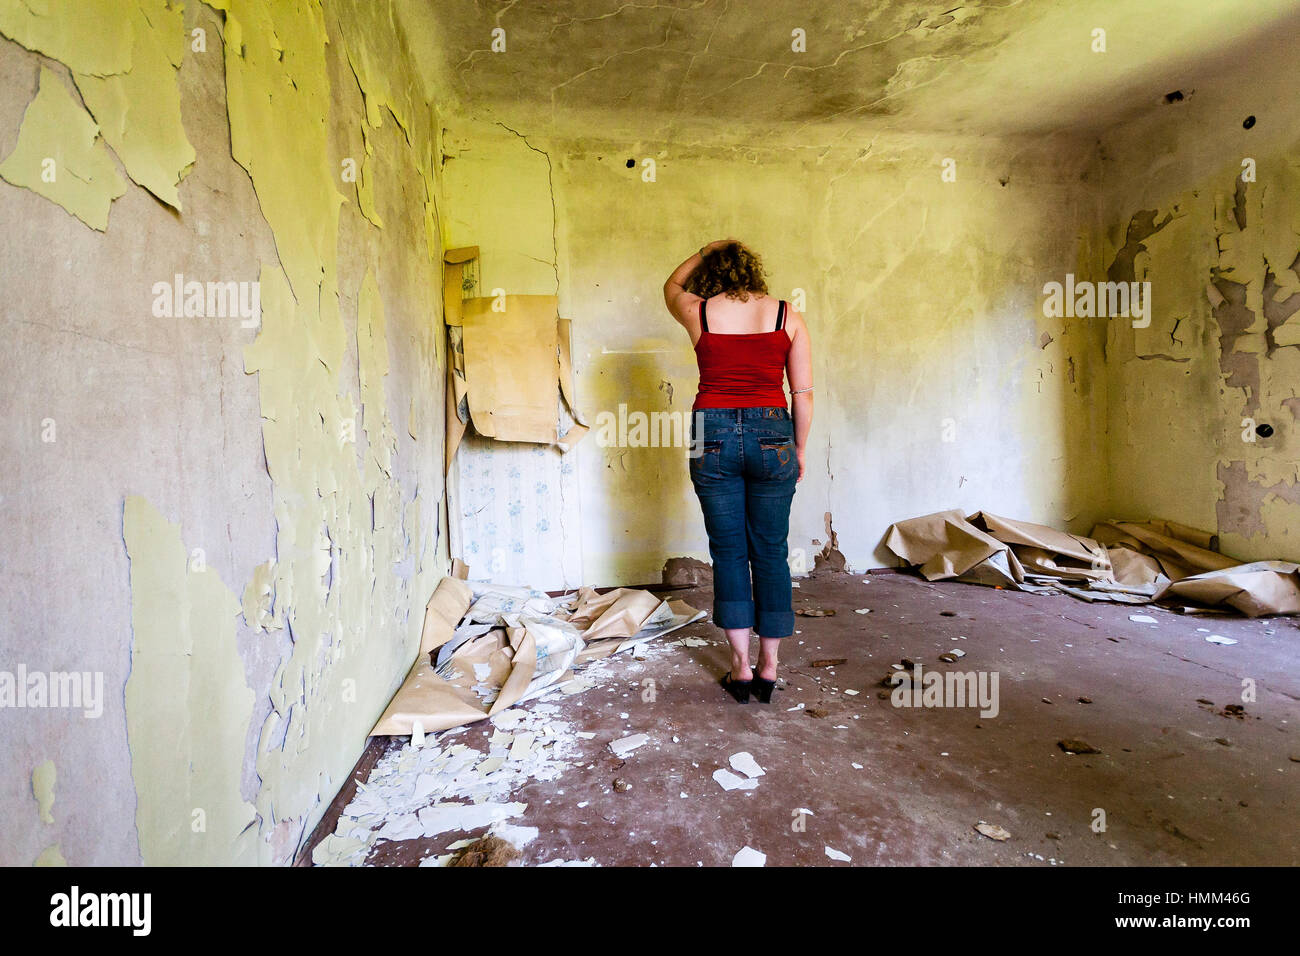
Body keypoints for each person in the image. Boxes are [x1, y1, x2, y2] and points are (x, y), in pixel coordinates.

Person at [663, 239, 813, 703]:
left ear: (713, 272)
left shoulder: (698, 311)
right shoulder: (786, 314)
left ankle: (740, 667)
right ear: (754, 270)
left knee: (728, 552)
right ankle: (770, 668)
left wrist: (706, 250)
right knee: (770, 551)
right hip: (773, 432)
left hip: (712, 432)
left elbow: (671, 284)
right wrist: (799, 449)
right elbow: (802, 393)